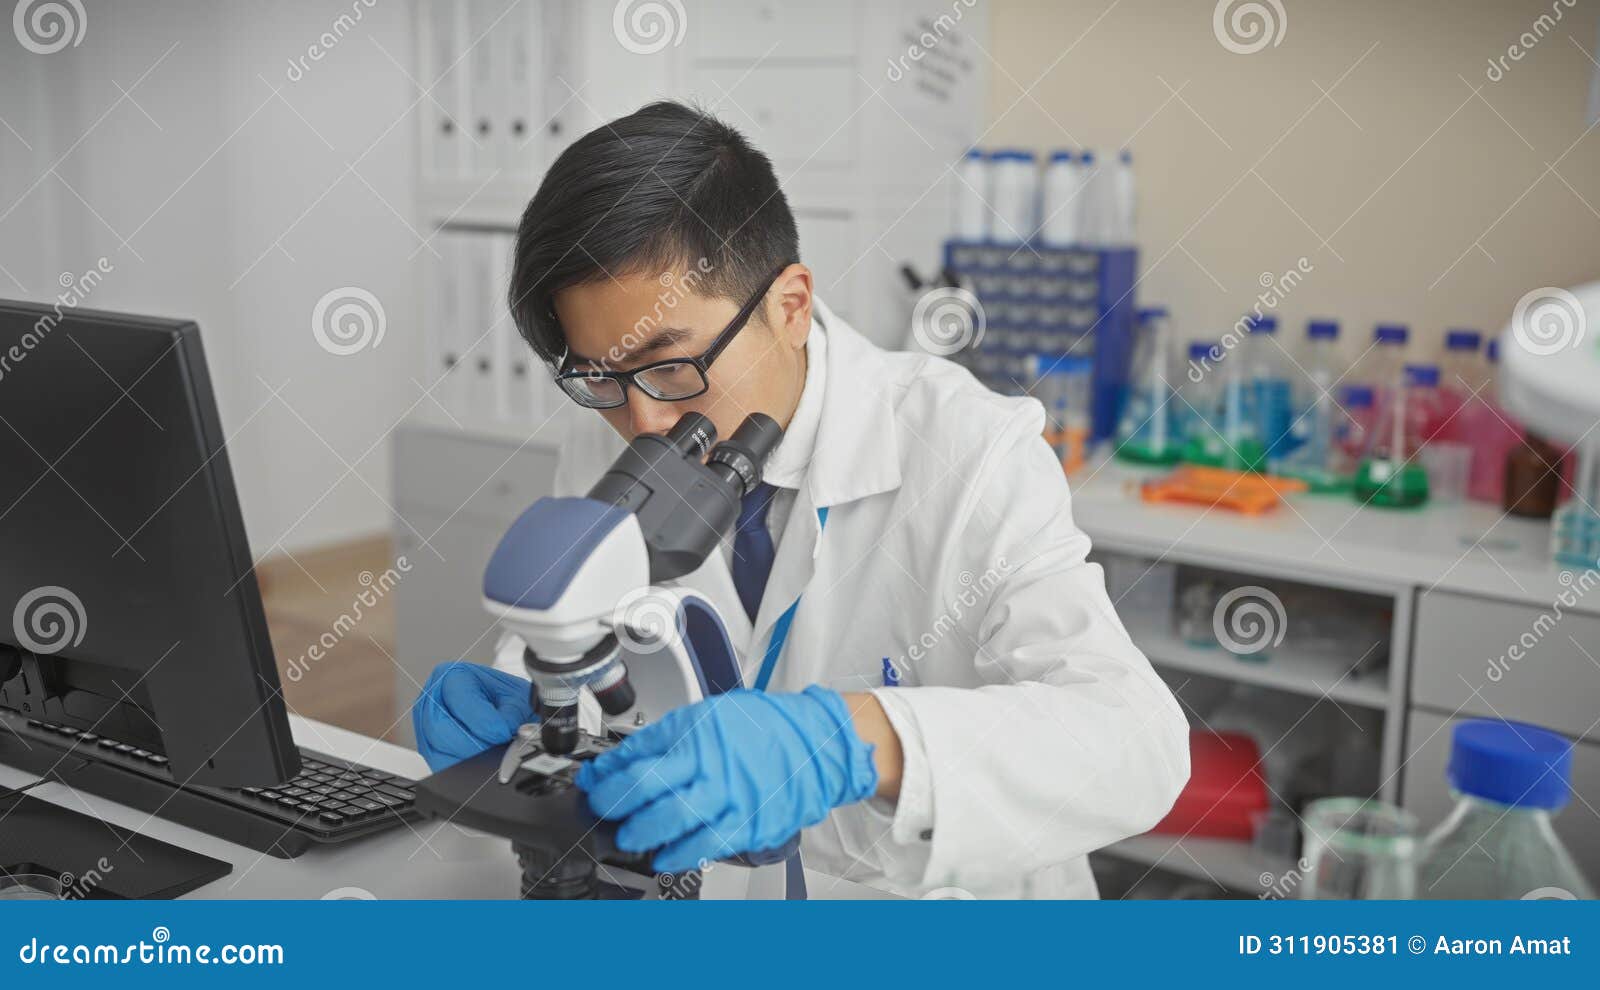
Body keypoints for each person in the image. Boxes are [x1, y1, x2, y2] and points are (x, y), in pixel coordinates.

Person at [413, 101, 1188, 898]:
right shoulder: (615, 426)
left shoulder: (968, 447)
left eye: (672, 365)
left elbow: (1137, 743)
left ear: (789, 305)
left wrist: (848, 740)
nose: (643, 422)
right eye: (599, 379)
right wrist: (535, 710)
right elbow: (589, 646)